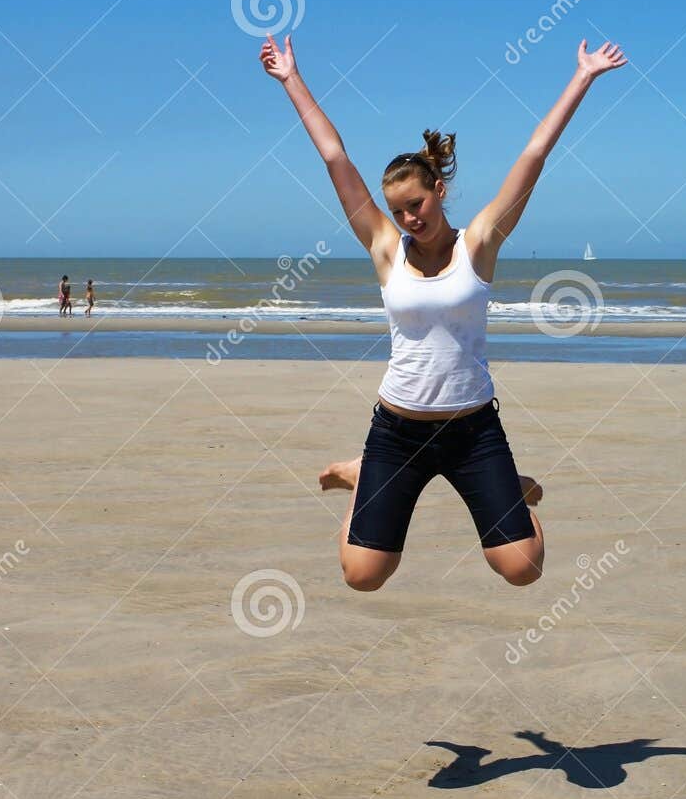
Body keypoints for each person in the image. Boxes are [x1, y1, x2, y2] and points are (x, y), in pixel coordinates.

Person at [259, 31, 628, 591]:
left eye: (417, 204)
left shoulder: (478, 244)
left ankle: (511, 486)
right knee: (363, 576)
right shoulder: (385, 250)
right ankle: (365, 481)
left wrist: (582, 77)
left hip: (473, 431)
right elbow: (335, 155)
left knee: (522, 570)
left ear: (438, 190)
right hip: (397, 432)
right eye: (397, 210)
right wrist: (291, 78)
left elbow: (533, 154)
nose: (408, 218)